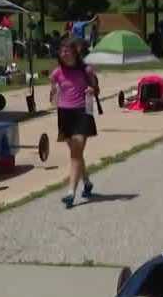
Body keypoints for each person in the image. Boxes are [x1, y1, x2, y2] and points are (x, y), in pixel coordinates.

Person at [49, 38, 100, 209]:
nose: (64, 53)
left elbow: (96, 89)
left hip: (82, 112)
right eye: (61, 50)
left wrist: (92, 90)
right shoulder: (56, 73)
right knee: (76, 153)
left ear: (75, 52)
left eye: (67, 50)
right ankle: (87, 182)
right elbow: (53, 97)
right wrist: (53, 93)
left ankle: (71, 192)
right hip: (64, 114)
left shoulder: (86, 70)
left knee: (75, 153)